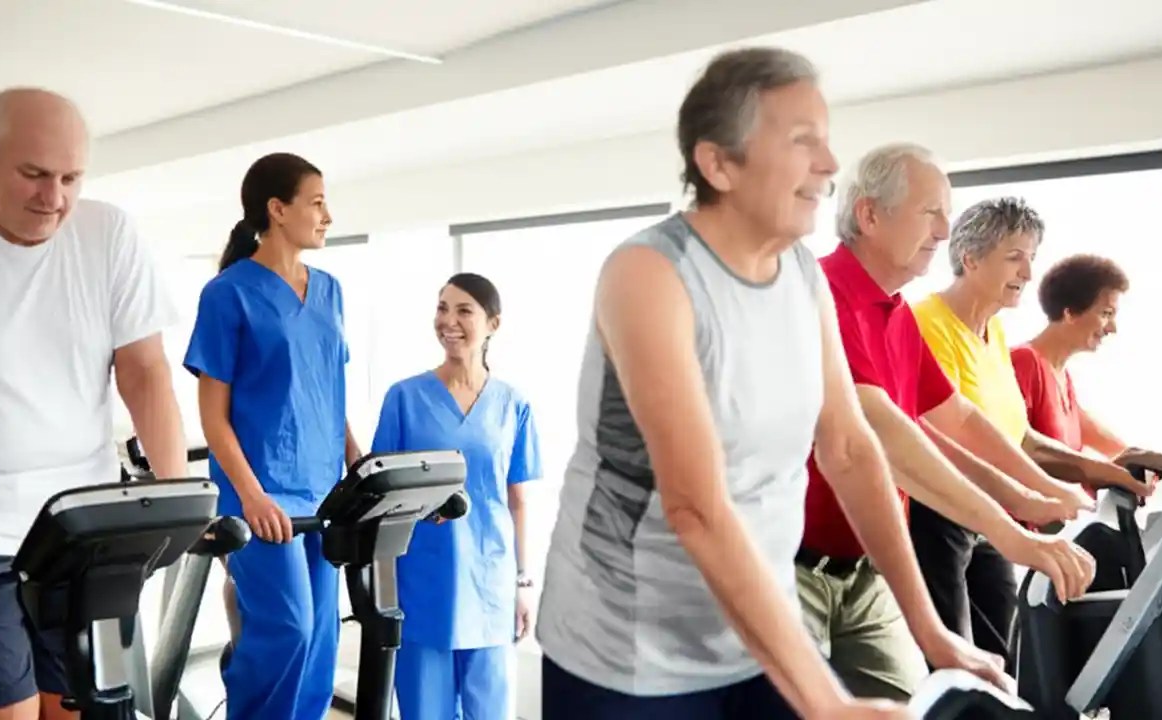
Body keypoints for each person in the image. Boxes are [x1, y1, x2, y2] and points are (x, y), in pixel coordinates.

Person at [535, 47, 1002, 720]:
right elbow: (696, 507)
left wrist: (931, 631)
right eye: (801, 139)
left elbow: (848, 448)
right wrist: (825, 701)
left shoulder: (801, 279)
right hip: (628, 649)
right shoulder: (648, 275)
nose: (830, 164)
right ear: (718, 164)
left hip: (756, 627)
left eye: (826, 138)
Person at [0, 87, 188, 720]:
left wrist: (175, 500)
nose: (54, 199)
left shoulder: (110, 232)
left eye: (71, 178)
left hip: (82, 523)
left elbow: (145, 372)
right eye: (33, 175)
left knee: (76, 710)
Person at [801, 143, 1098, 696]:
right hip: (791, 570)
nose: (944, 231)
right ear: (870, 215)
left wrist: (1034, 495)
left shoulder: (896, 315)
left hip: (864, 570)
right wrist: (1008, 527)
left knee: (930, 703)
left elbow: (951, 422)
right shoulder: (821, 294)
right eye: (930, 212)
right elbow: (881, 436)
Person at [912, 197, 1148, 663]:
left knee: (1006, 656)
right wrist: (1037, 495)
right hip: (940, 516)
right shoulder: (927, 324)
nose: (1028, 272)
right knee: (956, 663)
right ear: (971, 258)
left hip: (990, 520)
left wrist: (1108, 473)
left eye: (1032, 258)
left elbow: (1019, 436)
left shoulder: (993, 333)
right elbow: (946, 438)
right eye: (1014, 257)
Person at [183, 151, 362, 720]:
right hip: (258, 493)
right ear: (277, 209)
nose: (328, 215)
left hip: (324, 491)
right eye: (317, 202)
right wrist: (252, 495)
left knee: (320, 640)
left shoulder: (330, 290)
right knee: (286, 630)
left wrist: (359, 467)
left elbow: (326, 390)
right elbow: (213, 416)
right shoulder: (228, 294)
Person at [370, 272, 541, 720]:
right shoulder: (403, 398)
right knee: (426, 711)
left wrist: (523, 583)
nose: (449, 320)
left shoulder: (512, 405)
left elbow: (517, 499)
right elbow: (378, 496)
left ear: (493, 325)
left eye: (464, 310)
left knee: (490, 712)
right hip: (422, 584)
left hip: (491, 586)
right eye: (442, 308)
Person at [1011, 255, 1151, 479]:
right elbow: (1011, 449)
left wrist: (1149, 465)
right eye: (1106, 314)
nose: (1112, 328)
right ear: (1070, 313)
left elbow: (1111, 444)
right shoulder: (1024, 362)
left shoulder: (1062, 377)